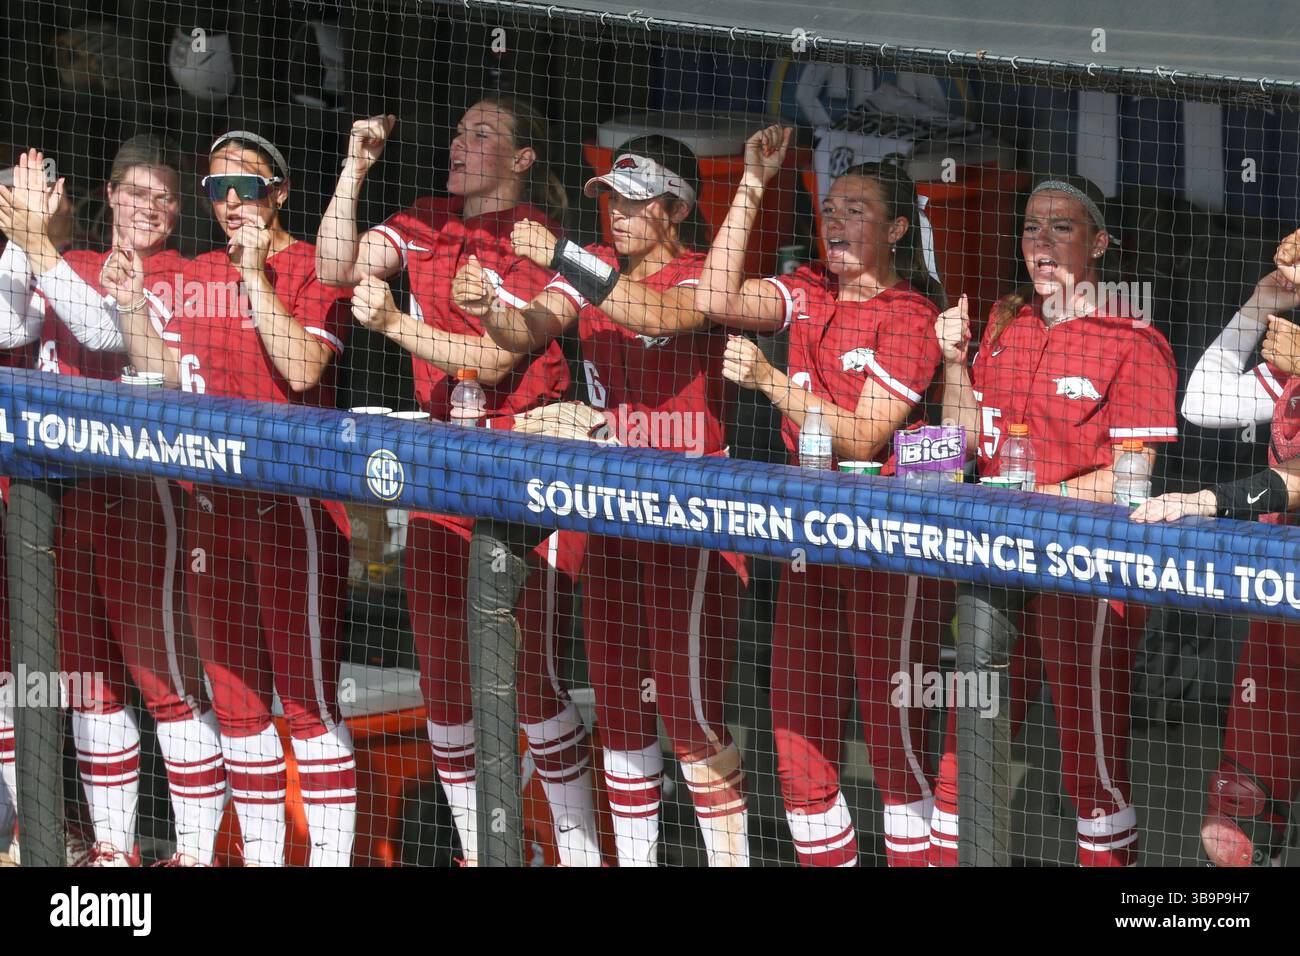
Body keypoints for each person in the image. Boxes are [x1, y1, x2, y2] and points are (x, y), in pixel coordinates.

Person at [316, 99, 603, 866]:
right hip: (445, 471)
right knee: (444, 682)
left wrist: (396, 327)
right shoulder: (424, 221)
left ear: (521, 160)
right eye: (457, 129)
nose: (458, 142)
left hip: (530, 474)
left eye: (483, 134)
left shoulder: (544, 239)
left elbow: (497, 358)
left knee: (529, 683)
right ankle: (483, 852)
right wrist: (356, 166)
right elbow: (332, 267)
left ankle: (578, 855)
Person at [462, 134, 751, 867]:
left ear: (675, 208)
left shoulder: (701, 276)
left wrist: (561, 253)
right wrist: (490, 305)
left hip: (695, 521)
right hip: (608, 514)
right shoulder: (593, 269)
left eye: (634, 202)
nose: (617, 214)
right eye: (610, 201)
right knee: (621, 713)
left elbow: (658, 317)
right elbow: (525, 332)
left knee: (688, 718)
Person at [693, 125, 948, 866]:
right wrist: (752, 183)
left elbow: (865, 437)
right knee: (797, 752)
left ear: (897, 228)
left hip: (889, 552)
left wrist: (773, 383)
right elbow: (713, 297)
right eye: (829, 210)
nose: (835, 223)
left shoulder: (912, 316)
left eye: (856, 211)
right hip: (807, 548)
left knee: (897, 751)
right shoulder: (803, 288)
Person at [115, 130, 355, 866]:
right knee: (237, 706)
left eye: (244, 187)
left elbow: (306, 367)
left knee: (308, 703)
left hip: (293, 511)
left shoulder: (314, 264)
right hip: (210, 512)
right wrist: (129, 306)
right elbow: (164, 369)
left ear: (277, 192)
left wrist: (256, 277)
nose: (228, 203)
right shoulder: (192, 271)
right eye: (216, 189)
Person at [931, 175, 1179, 866]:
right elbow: (959, 449)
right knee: (964, 757)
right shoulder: (1004, 320)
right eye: (1031, 228)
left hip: (1086, 570)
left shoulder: (1134, 338)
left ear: (1098, 243)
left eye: (1060, 228)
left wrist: (1040, 504)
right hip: (999, 567)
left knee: (1089, 770)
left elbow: (1134, 478)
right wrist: (954, 364)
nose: (1041, 242)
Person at [0, 140, 227, 866]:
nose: (146, 208)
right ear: (104, 193)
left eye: (162, 197)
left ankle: (194, 853)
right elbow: (10, 329)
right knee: (85, 680)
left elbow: (105, 332)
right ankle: (110, 849)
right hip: (63, 498)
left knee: (163, 677)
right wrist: (26, 238)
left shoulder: (186, 277)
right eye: (133, 191)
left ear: (178, 213)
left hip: (144, 496)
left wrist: (38, 244)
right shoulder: (73, 260)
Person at [1134, 230, 1300, 865]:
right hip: (1279, 615)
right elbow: (1202, 400)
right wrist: (1260, 305)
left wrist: (1208, 500)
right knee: (1232, 834)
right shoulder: (1285, 365)